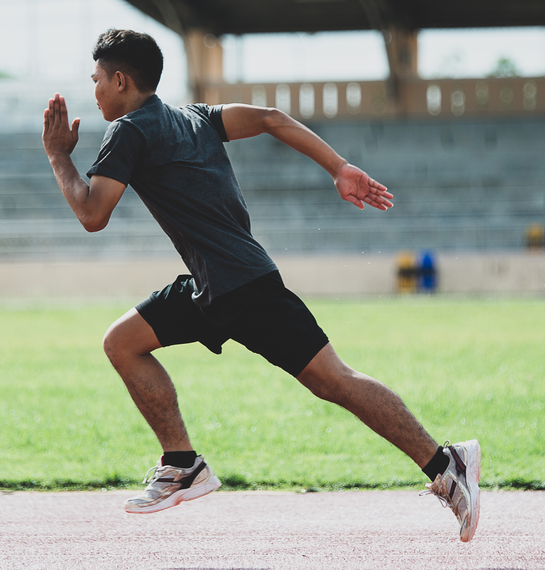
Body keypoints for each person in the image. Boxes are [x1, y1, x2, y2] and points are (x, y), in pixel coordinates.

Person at [42, 28, 482, 542]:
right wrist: (338, 167)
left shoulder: (129, 131)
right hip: (213, 286)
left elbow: (94, 214)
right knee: (122, 342)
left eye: (96, 80)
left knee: (333, 380)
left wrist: (58, 156)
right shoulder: (196, 117)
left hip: (243, 288)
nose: (93, 91)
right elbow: (272, 119)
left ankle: (444, 463)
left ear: (120, 80)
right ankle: (182, 463)